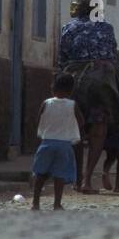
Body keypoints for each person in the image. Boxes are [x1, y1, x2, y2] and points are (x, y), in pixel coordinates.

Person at [58, 0, 119, 194]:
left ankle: (77, 179)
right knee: (99, 130)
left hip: (76, 82)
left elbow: (62, 59)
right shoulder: (106, 28)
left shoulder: (68, 28)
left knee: (77, 131)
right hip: (102, 84)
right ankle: (88, 179)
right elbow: (112, 56)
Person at [31, 74, 85, 210]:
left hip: (46, 143)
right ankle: (57, 204)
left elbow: (38, 120)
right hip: (64, 145)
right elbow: (81, 121)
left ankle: (35, 203)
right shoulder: (73, 105)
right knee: (59, 175)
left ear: (53, 87)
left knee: (40, 174)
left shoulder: (46, 103)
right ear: (71, 90)